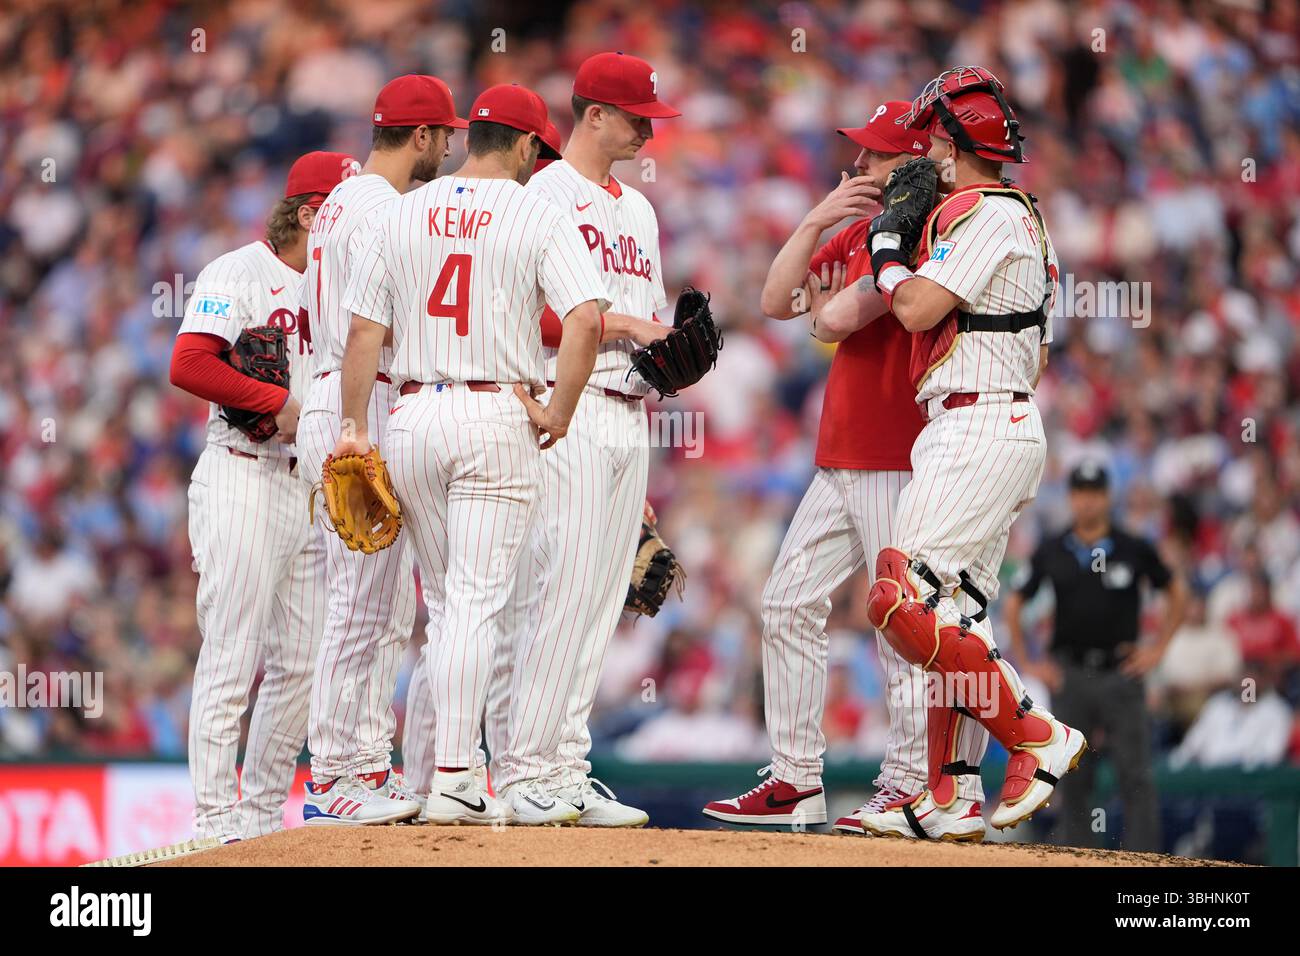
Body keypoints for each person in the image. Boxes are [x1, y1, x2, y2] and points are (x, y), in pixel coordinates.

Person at [809, 65, 1083, 842]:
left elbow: (920, 304)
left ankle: (1035, 735)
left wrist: (890, 249)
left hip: (978, 422)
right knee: (953, 614)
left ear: (957, 143)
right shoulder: (1011, 213)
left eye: (933, 135)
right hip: (985, 416)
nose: (924, 150)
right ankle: (952, 793)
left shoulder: (988, 211)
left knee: (900, 599)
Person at [403, 52, 676, 826]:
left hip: (627, 414)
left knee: (595, 605)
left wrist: (664, 362)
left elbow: (647, 329)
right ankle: (523, 772)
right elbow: (533, 312)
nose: (648, 130)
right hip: (567, 405)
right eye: (635, 116)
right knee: (547, 599)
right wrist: (621, 330)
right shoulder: (545, 192)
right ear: (592, 114)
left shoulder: (641, 212)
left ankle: (563, 765)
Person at [332, 83, 608, 825]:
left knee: (449, 606)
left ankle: (437, 774)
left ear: (467, 138)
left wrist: (355, 427)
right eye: (535, 148)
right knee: (479, 605)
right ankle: (456, 773)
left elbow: (364, 334)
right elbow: (585, 320)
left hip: (414, 412)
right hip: (494, 410)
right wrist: (559, 409)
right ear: (523, 146)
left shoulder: (402, 212)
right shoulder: (538, 210)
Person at [702, 100, 958, 833]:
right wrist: (815, 220)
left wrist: (823, 310)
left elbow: (840, 316)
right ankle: (794, 779)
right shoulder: (854, 229)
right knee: (786, 603)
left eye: (875, 157)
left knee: (897, 625)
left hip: (894, 453)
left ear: (910, 164)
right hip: (839, 455)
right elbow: (776, 300)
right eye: (858, 154)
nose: (858, 166)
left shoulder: (924, 230)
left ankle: (911, 784)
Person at [297, 74, 467, 826]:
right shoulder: (386, 209)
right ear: (423, 136)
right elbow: (379, 325)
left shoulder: (340, 199)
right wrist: (358, 424)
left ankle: (365, 762)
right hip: (357, 395)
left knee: (383, 608)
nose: (451, 146)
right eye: (446, 134)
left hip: (350, 390)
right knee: (358, 606)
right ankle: (334, 771)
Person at [170, 151, 353, 841]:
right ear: (309, 214)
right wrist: (276, 399)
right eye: (339, 214)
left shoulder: (336, 287)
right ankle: (216, 821)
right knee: (232, 650)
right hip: (243, 473)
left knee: (300, 665)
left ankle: (257, 817)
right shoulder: (237, 272)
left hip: (307, 486)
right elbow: (188, 364)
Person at [1005, 461, 1187, 851]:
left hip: (1120, 673)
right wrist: (1030, 661)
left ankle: (1143, 859)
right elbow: (1015, 602)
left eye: (1094, 493)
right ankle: (1079, 856)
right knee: (1073, 776)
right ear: (1071, 497)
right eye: (1080, 493)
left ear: (1107, 497)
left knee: (1135, 774)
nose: (1087, 501)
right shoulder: (1053, 548)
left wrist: (1157, 650)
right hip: (1070, 675)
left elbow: (1176, 591)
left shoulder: (1132, 547)